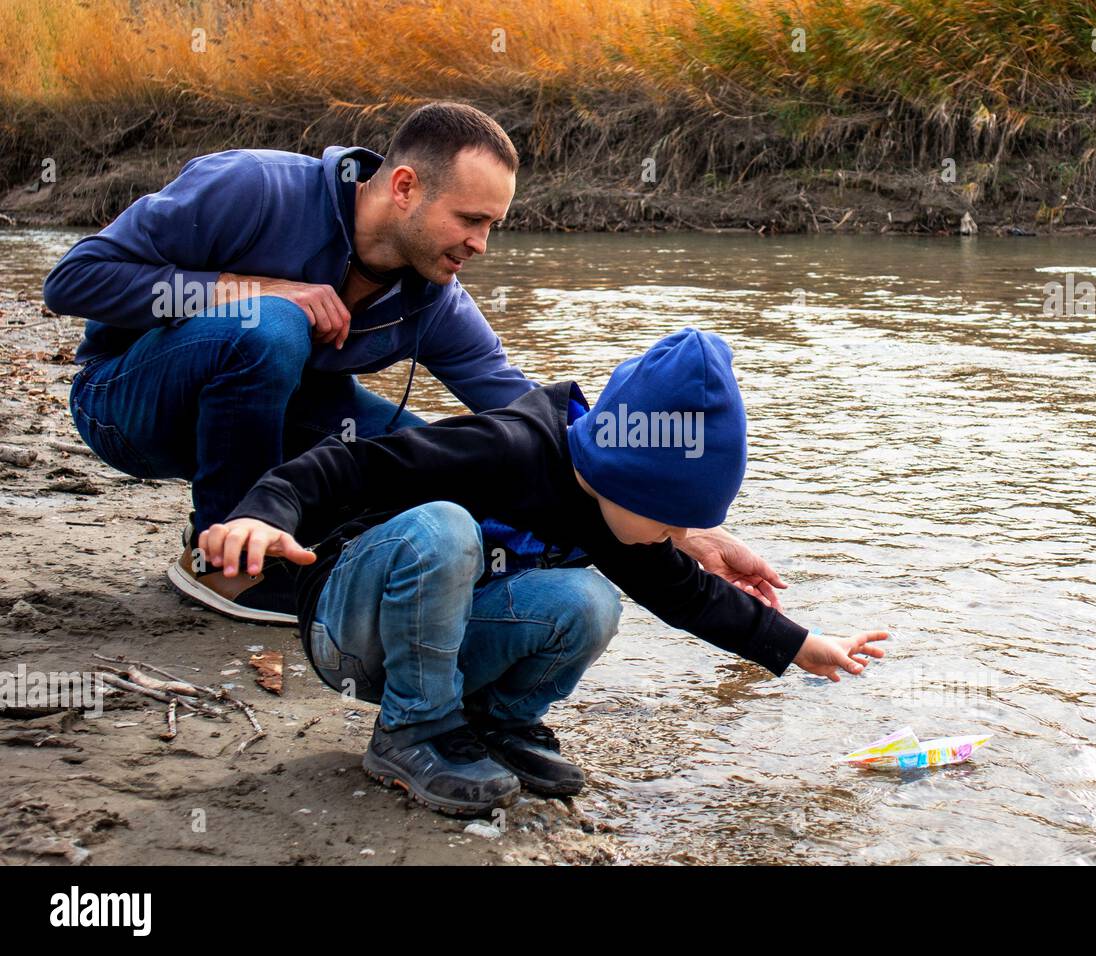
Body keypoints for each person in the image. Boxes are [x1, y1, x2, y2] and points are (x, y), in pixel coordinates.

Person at [43, 101, 786, 625]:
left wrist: (683, 531)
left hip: (279, 428)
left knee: (441, 458)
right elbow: (72, 280)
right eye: (470, 219)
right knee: (266, 325)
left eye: (493, 225)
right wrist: (261, 291)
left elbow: (539, 424)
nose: (481, 245)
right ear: (404, 187)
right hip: (126, 403)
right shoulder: (252, 187)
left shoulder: (435, 299)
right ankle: (227, 568)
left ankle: (280, 542)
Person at [199, 328, 889, 817]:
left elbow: (695, 600)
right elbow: (349, 464)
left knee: (590, 599)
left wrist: (803, 646)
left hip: (444, 644)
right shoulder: (505, 447)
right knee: (444, 527)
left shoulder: (614, 508)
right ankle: (411, 733)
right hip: (352, 626)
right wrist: (267, 513)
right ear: (627, 474)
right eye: (673, 519)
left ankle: (493, 722)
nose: (680, 539)